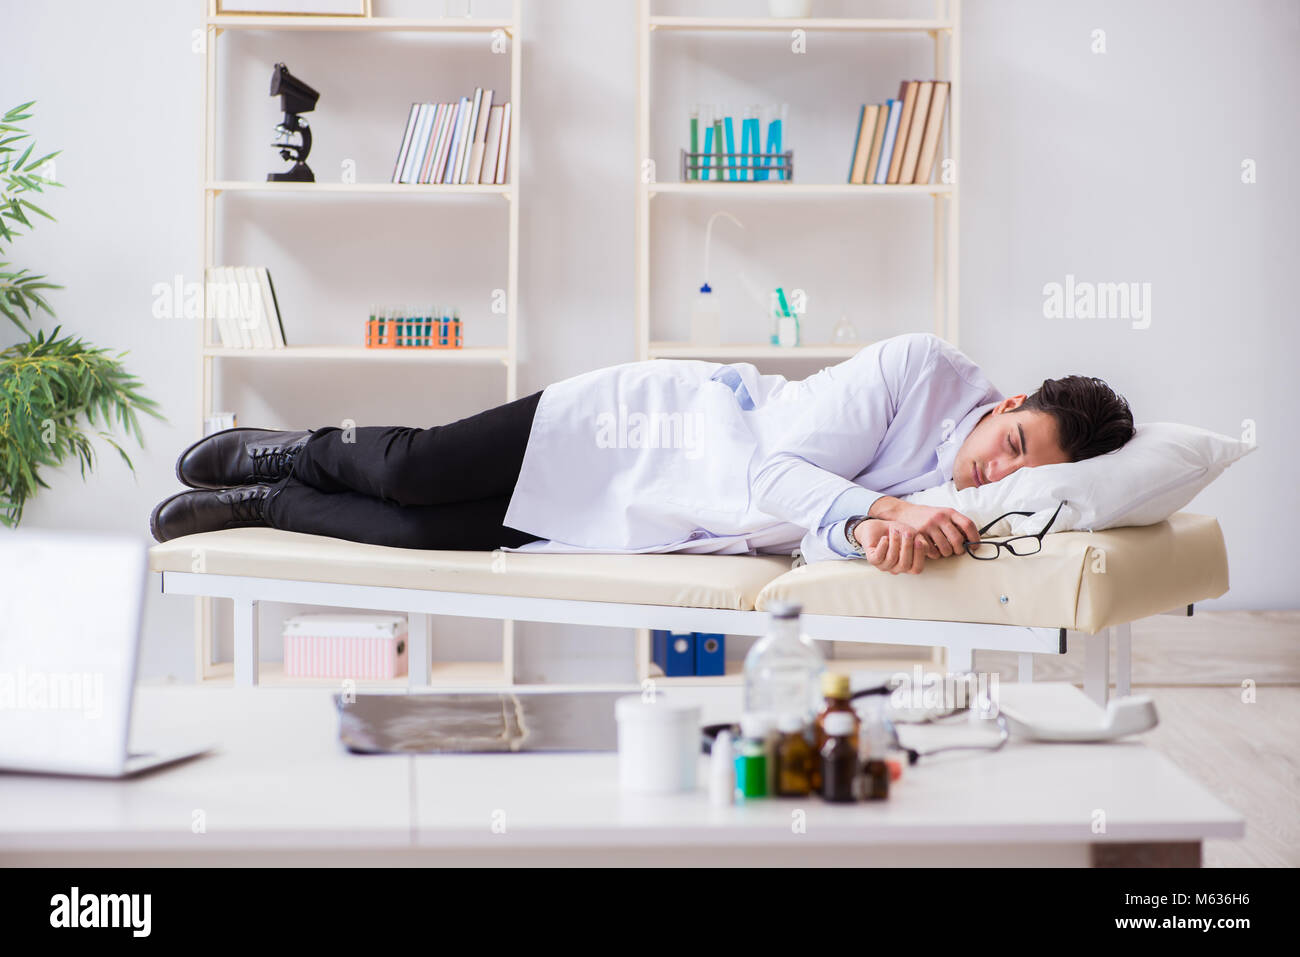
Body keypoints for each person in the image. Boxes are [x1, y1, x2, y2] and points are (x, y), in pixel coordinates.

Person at [149, 333, 1134, 574]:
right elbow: (770, 476)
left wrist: (870, 542)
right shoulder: (918, 369)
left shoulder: (964, 504)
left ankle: (263, 505)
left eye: (1021, 474)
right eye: (1010, 443)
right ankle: (282, 448)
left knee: (424, 532)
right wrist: (886, 515)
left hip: (666, 514)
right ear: (1007, 402)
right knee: (417, 469)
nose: (995, 474)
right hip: (647, 428)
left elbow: (812, 546)